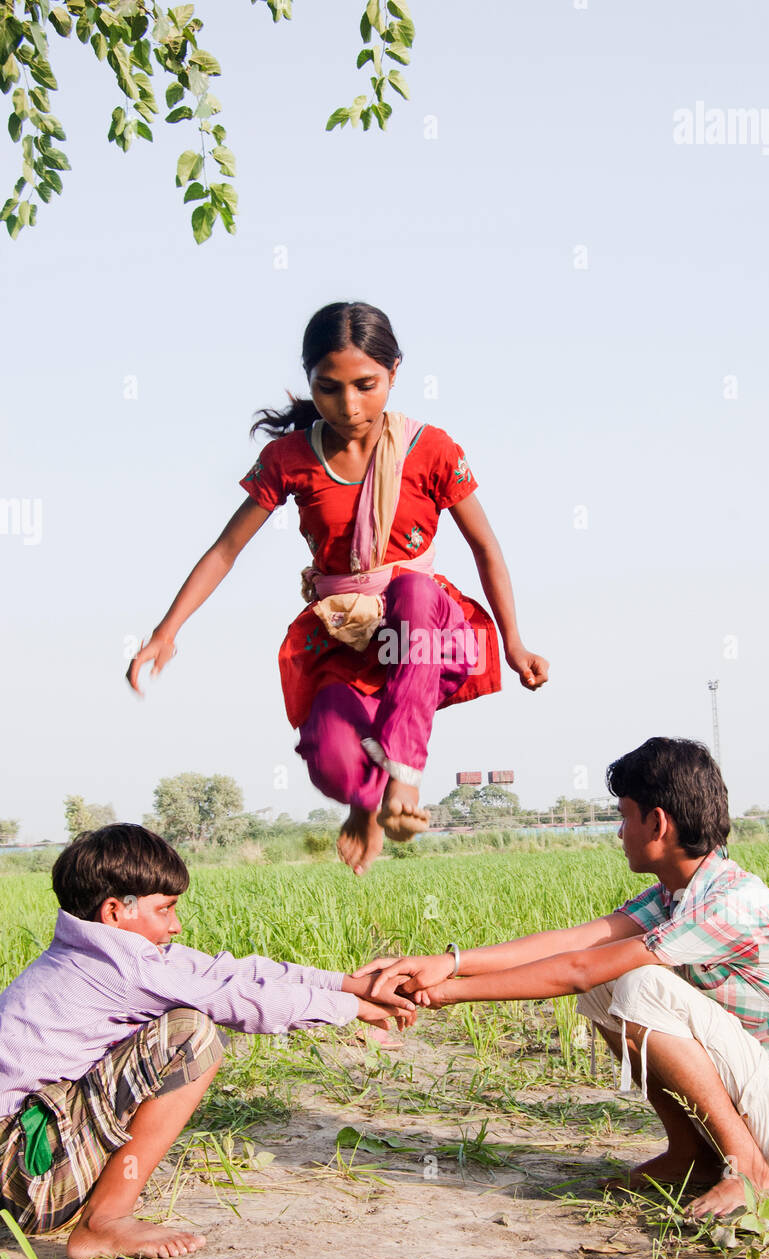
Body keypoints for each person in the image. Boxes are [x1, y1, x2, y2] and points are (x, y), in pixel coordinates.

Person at [126, 301, 548, 875]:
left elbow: (485, 548)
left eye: (366, 385)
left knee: (414, 594)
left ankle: (404, 776)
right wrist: (166, 632)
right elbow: (225, 550)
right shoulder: (288, 459)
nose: (349, 405)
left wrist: (514, 641)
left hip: (425, 635)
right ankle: (365, 799)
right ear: (310, 384)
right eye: (328, 389)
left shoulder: (433, 450)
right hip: (345, 631)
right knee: (328, 754)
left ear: (394, 373)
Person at [357, 738, 769, 1218]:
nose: (619, 833)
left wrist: (443, 995)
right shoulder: (675, 893)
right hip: (766, 1107)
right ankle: (692, 1155)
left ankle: (749, 1169)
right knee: (610, 984)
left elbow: (576, 970)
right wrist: (449, 963)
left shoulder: (727, 902)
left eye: (624, 817)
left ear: (656, 823)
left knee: (637, 982)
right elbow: (575, 944)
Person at [0, 824, 414, 1259]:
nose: (175, 925)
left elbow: (227, 971)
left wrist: (350, 985)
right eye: (166, 909)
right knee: (189, 1035)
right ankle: (105, 1223)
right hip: (23, 1176)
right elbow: (237, 1001)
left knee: (188, 1020)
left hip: (19, 1160)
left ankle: (100, 1213)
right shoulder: (124, 972)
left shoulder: (95, 952)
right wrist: (353, 1008)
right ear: (114, 912)